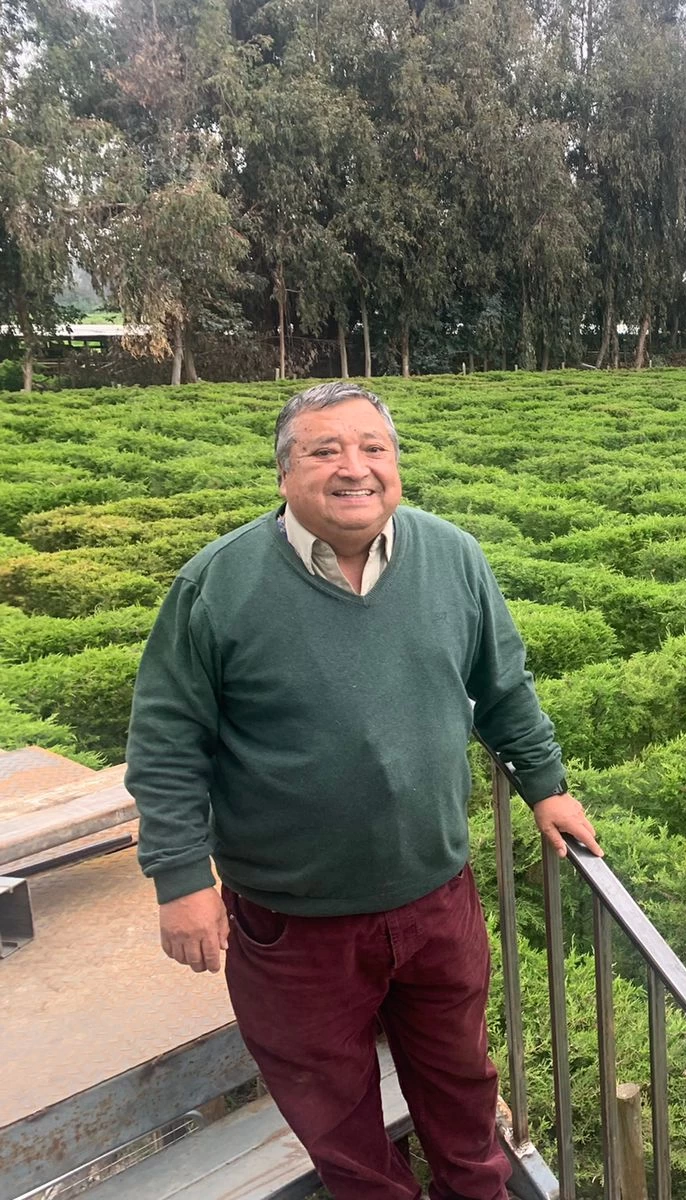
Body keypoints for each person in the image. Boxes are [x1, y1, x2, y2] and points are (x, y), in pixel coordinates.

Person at [125, 380, 601, 1200]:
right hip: (292, 923)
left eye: (373, 449)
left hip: (433, 899)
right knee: (334, 1113)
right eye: (325, 451)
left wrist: (545, 784)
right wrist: (179, 877)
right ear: (284, 475)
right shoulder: (217, 585)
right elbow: (167, 739)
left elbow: (504, 687)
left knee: (458, 1079)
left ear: (397, 467)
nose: (355, 469)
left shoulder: (454, 556)